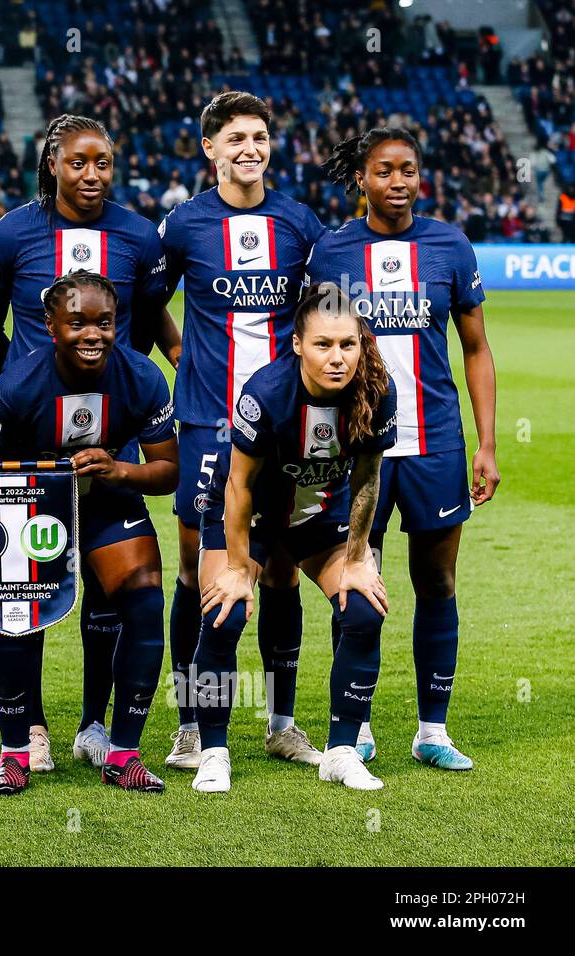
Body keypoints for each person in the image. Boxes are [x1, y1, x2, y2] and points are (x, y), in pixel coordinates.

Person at [0, 113, 170, 774]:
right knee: (23, 609)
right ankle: (25, 736)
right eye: (78, 161)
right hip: (34, 463)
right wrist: (34, 381)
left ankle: (104, 735)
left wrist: (111, 396)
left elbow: (149, 314)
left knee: (132, 597)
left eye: (103, 162)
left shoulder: (140, 238)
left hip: (109, 453)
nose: (91, 174)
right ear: (53, 161)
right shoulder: (12, 236)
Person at [311, 127, 499, 769]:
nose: (398, 182)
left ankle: (432, 730)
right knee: (357, 582)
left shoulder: (449, 244)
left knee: (437, 582)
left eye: (409, 171)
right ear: (361, 178)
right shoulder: (331, 251)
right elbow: (310, 348)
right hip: (357, 448)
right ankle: (355, 725)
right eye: (385, 171)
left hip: (436, 444)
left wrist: (487, 444)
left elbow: (476, 348)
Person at [156, 91, 327, 772]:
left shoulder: (300, 223)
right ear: (210, 148)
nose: (249, 149)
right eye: (235, 139)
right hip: (206, 421)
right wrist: (179, 356)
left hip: (287, 428)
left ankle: (281, 723)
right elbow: (147, 305)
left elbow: (323, 313)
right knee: (200, 570)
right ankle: (193, 726)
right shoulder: (183, 226)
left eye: (258, 137)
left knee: (281, 564)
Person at [0, 272, 179, 795]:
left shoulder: (144, 377)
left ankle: (123, 754)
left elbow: (166, 472)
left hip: (110, 501)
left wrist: (117, 471)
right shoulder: (18, 385)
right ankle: (15, 754)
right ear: (51, 326)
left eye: (104, 323)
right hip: (33, 507)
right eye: (78, 323)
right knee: (17, 615)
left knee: (142, 602)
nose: (93, 334)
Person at [194, 283, 397, 792]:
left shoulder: (377, 389)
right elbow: (239, 485)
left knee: (363, 608)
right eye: (323, 344)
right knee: (225, 613)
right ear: (298, 345)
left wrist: (356, 557)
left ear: (361, 344)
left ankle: (341, 750)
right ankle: (213, 751)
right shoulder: (266, 394)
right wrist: (239, 569)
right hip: (249, 510)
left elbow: (368, 479)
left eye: (347, 345)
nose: (337, 358)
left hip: (315, 510)